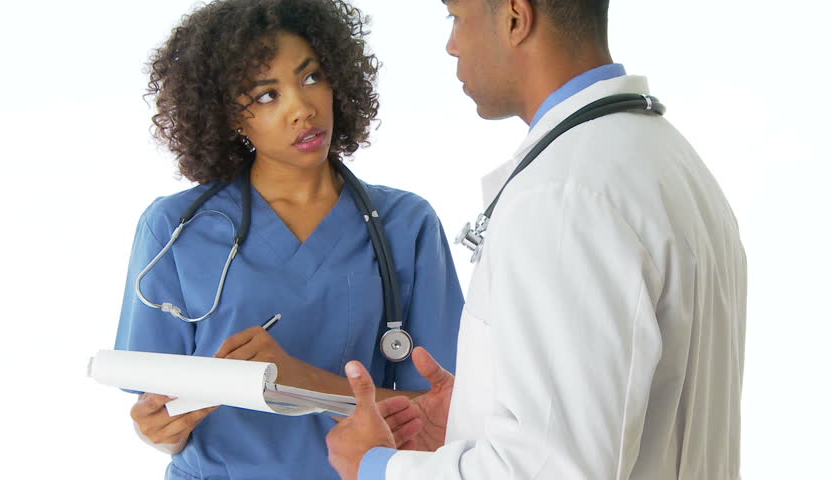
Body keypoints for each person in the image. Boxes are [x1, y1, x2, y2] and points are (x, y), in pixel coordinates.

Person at [326, 0, 747, 479]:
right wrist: (476, 419)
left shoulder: (563, 195)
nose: (451, 45)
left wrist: (378, 466)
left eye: (455, 17)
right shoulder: (666, 159)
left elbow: (549, 470)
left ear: (514, 17)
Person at [113, 1, 464, 479]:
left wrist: (299, 382)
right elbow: (156, 409)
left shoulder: (405, 225)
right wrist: (158, 429)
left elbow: (443, 411)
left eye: (312, 76)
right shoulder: (175, 227)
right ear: (228, 115)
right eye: (265, 95)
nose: (302, 107)